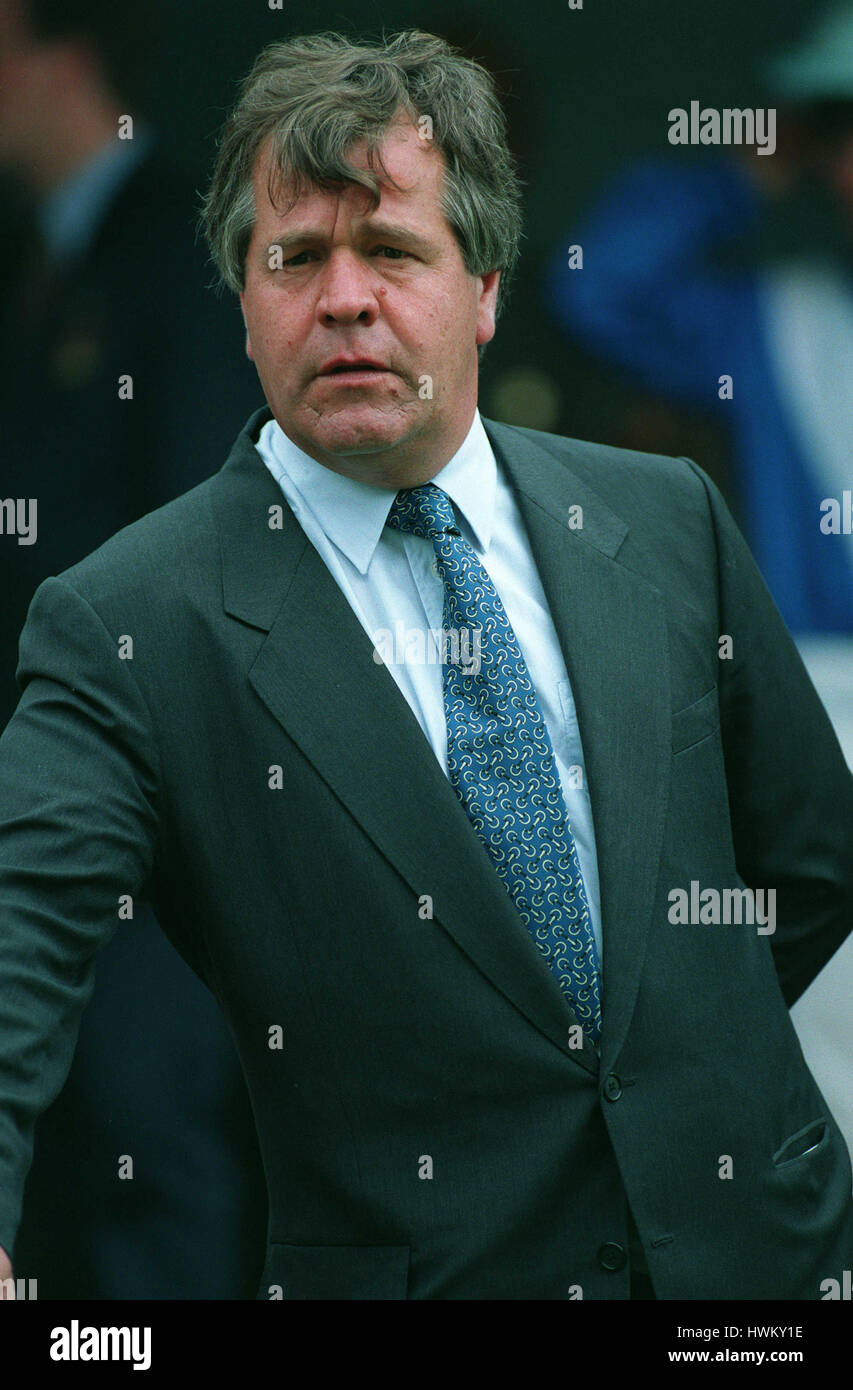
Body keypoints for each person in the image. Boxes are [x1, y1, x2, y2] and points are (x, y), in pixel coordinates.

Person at [0, 27, 851, 1302]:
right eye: (294, 258)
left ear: (487, 286)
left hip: (757, 1271)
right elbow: (19, 939)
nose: (345, 297)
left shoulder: (662, 518)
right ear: (242, 301)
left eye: (392, 250)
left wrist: (675, 1068)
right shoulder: (128, 617)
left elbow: (809, 859)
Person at [0, 0, 267, 1297]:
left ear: (55, 44)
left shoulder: (186, 250)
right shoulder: (38, 258)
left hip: (139, 812)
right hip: (40, 801)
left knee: (145, 1142)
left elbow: (203, 541)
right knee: (56, 1163)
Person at [545, 2, 853, 637]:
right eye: (842, 132)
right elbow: (595, 285)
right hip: (830, 711)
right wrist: (742, 175)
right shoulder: (779, 324)